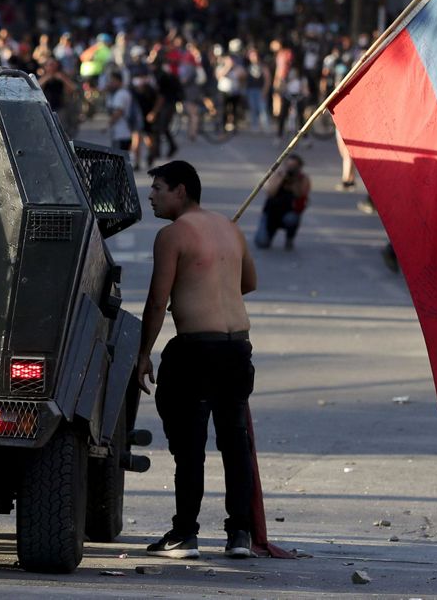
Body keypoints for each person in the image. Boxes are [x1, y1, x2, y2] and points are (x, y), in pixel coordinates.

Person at [137, 160, 258, 560]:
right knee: (234, 442)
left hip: (196, 350)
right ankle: (240, 533)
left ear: (181, 191)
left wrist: (142, 354)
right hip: (237, 349)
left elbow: (157, 301)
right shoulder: (230, 227)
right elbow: (249, 282)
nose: (151, 195)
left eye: (158, 188)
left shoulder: (172, 235)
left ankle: (184, 533)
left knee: (190, 447)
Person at [254, 153, 311, 250]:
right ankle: (270, 234)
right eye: (289, 166)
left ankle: (290, 238)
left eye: (294, 167)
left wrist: (295, 181)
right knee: (262, 243)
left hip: (289, 213)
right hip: (271, 214)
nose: (291, 169)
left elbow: (300, 195)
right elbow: (270, 193)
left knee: (292, 219)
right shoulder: (278, 175)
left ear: (299, 167)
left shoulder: (303, 179)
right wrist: (281, 179)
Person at [106, 71, 135, 156]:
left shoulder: (120, 94)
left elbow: (119, 112)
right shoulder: (124, 92)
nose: (110, 84)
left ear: (119, 81)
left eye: (112, 81)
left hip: (121, 134)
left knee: (119, 161)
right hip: (124, 134)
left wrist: (108, 124)